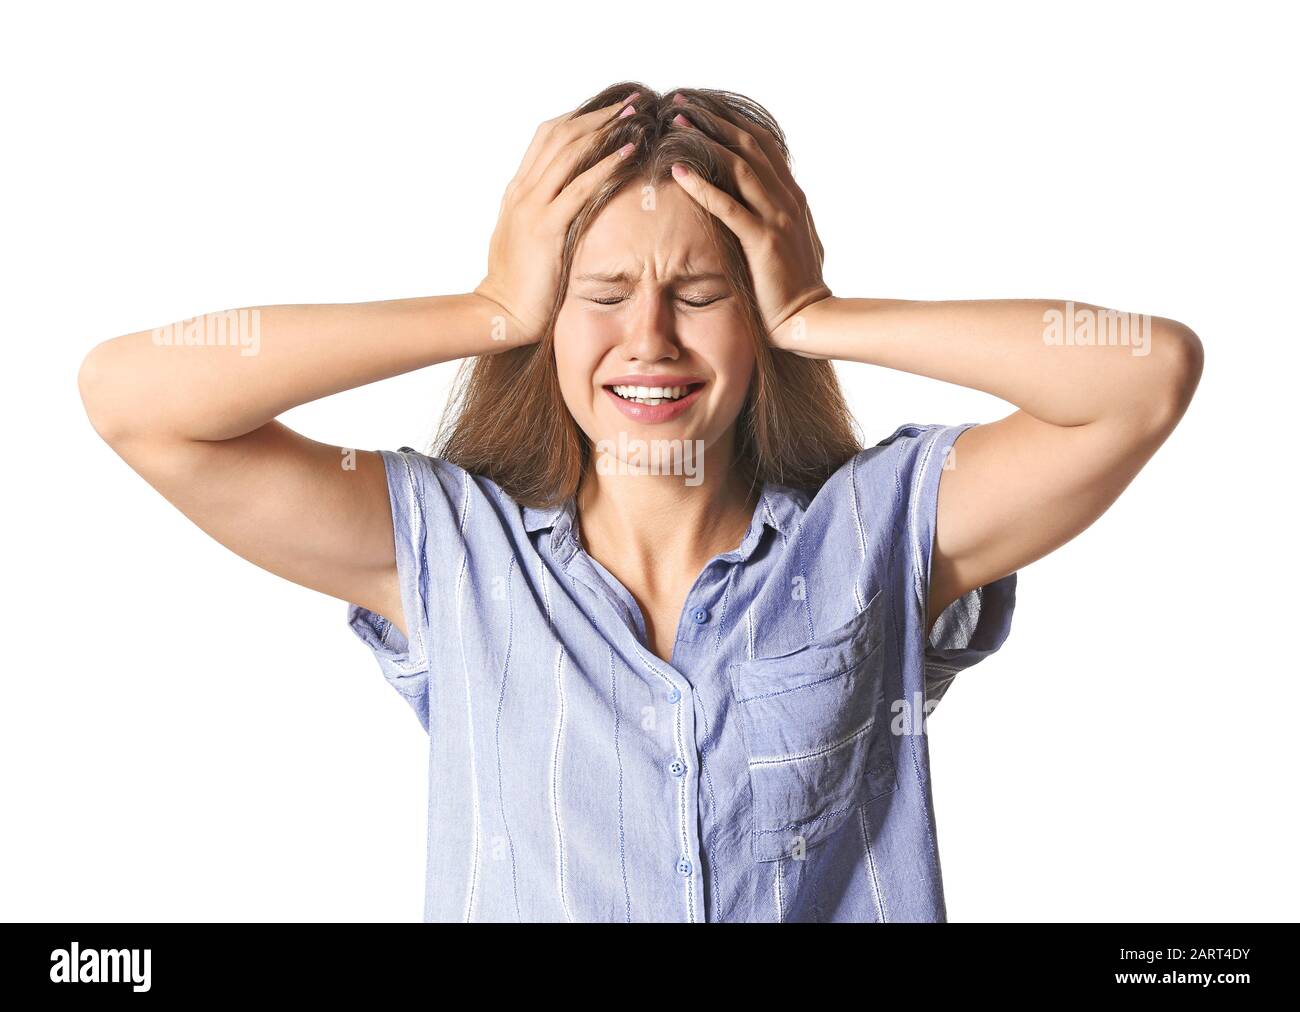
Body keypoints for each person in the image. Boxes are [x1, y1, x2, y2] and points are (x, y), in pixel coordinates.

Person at [77, 82, 1204, 922]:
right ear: (547, 324)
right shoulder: (447, 553)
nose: (649, 340)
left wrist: (818, 309)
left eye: (701, 293)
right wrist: (480, 306)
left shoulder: (881, 527)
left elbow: (1142, 375)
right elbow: (131, 397)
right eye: (602, 294)